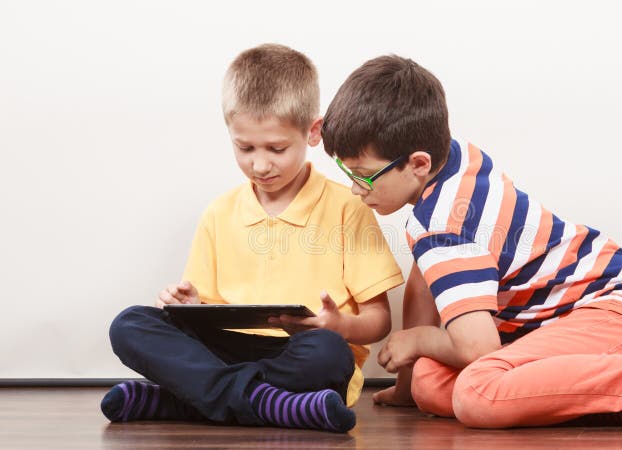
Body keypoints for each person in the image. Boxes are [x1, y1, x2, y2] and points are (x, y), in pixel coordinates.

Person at [320, 54, 622, 429]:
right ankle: (619, 401)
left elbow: (478, 350)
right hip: (559, 326)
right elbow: (426, 280)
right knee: (429, 384)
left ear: (418, 163)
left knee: (476, 393)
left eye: (363, 175)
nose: (357, 189)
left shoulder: (445, 227)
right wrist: (405, 384)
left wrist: (420, 338)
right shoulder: (453, 157)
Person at [100, 44, 403, 433]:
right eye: (244, 148)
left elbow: (378, 321)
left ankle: (181, 398)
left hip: (302, 354)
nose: (259, 164)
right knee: (129, 325)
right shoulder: (219, 212)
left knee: (327, 354)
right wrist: (190, 306)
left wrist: (338, 325)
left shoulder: (348, 207)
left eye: (276, 148)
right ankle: (269, 403)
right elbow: (205, 312)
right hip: (228, 351)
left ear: (313, 132)